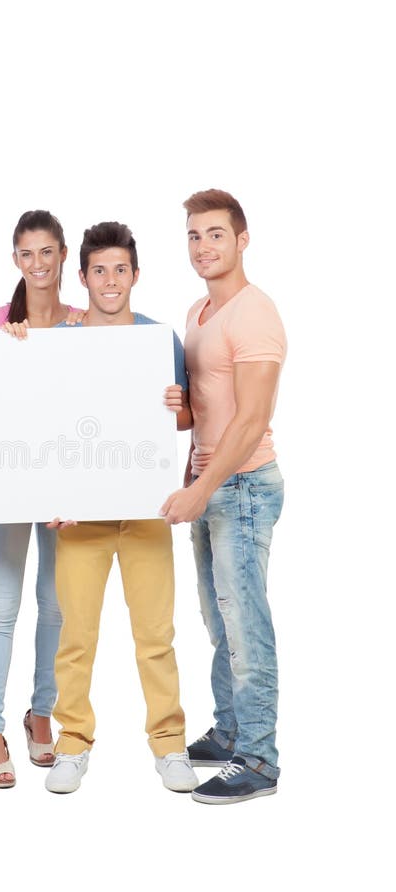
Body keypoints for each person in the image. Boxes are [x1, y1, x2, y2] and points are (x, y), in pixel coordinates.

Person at [43, 221, 199, 795]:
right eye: (99, 270)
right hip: (80, 515)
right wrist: (49, 496)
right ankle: (72, 743)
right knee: (76, 635)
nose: (111, 280)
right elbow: (43, 425)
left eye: (121, 269)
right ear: (82, 277)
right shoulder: (60, 340)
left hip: (145, 509)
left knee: (155, 634)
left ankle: (169, 743)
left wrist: (178, 406)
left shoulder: (160, 340)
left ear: (136, 275)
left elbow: (184, 423)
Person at [160, 189, 286, 805]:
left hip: (242, 486)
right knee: (218, 619)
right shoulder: (198, 313)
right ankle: (232, 726)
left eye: (215, 234)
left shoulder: (254, 313)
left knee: (245, 621)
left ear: (241, 239)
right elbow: (206, 413)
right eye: (193, 235)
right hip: (209, 483)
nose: (203, 246)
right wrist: (177, 413)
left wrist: (202, 488)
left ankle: (258, 758)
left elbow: (251, 418)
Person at [0, 210, 74, 788]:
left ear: (63, 257)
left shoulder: (83, 324)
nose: (37, 264)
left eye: (47, 253)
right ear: (15, 260)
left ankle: (41, 714)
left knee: (54, 604)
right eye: (26, 254)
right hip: (6, 478)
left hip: (62, 481)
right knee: (0, 605)